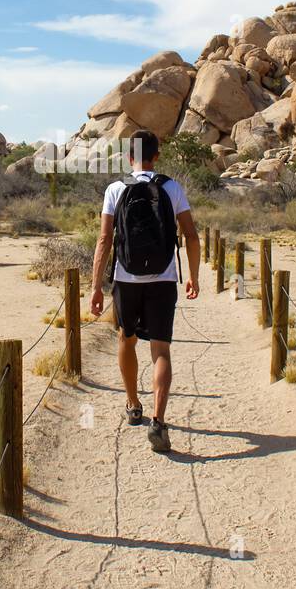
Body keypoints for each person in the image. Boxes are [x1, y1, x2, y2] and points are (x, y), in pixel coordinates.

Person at [90, 130, 200, 453]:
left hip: (126, 279)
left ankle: (133, 404)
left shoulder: (115, 189)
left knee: (126, 339)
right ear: (156, 155)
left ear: (129, 158)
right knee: (161, 351)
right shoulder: (171, 187)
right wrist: (193, 276)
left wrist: (96, 286)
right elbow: (191, 236)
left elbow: (104, 240)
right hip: (164, 279)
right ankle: (158, 422)